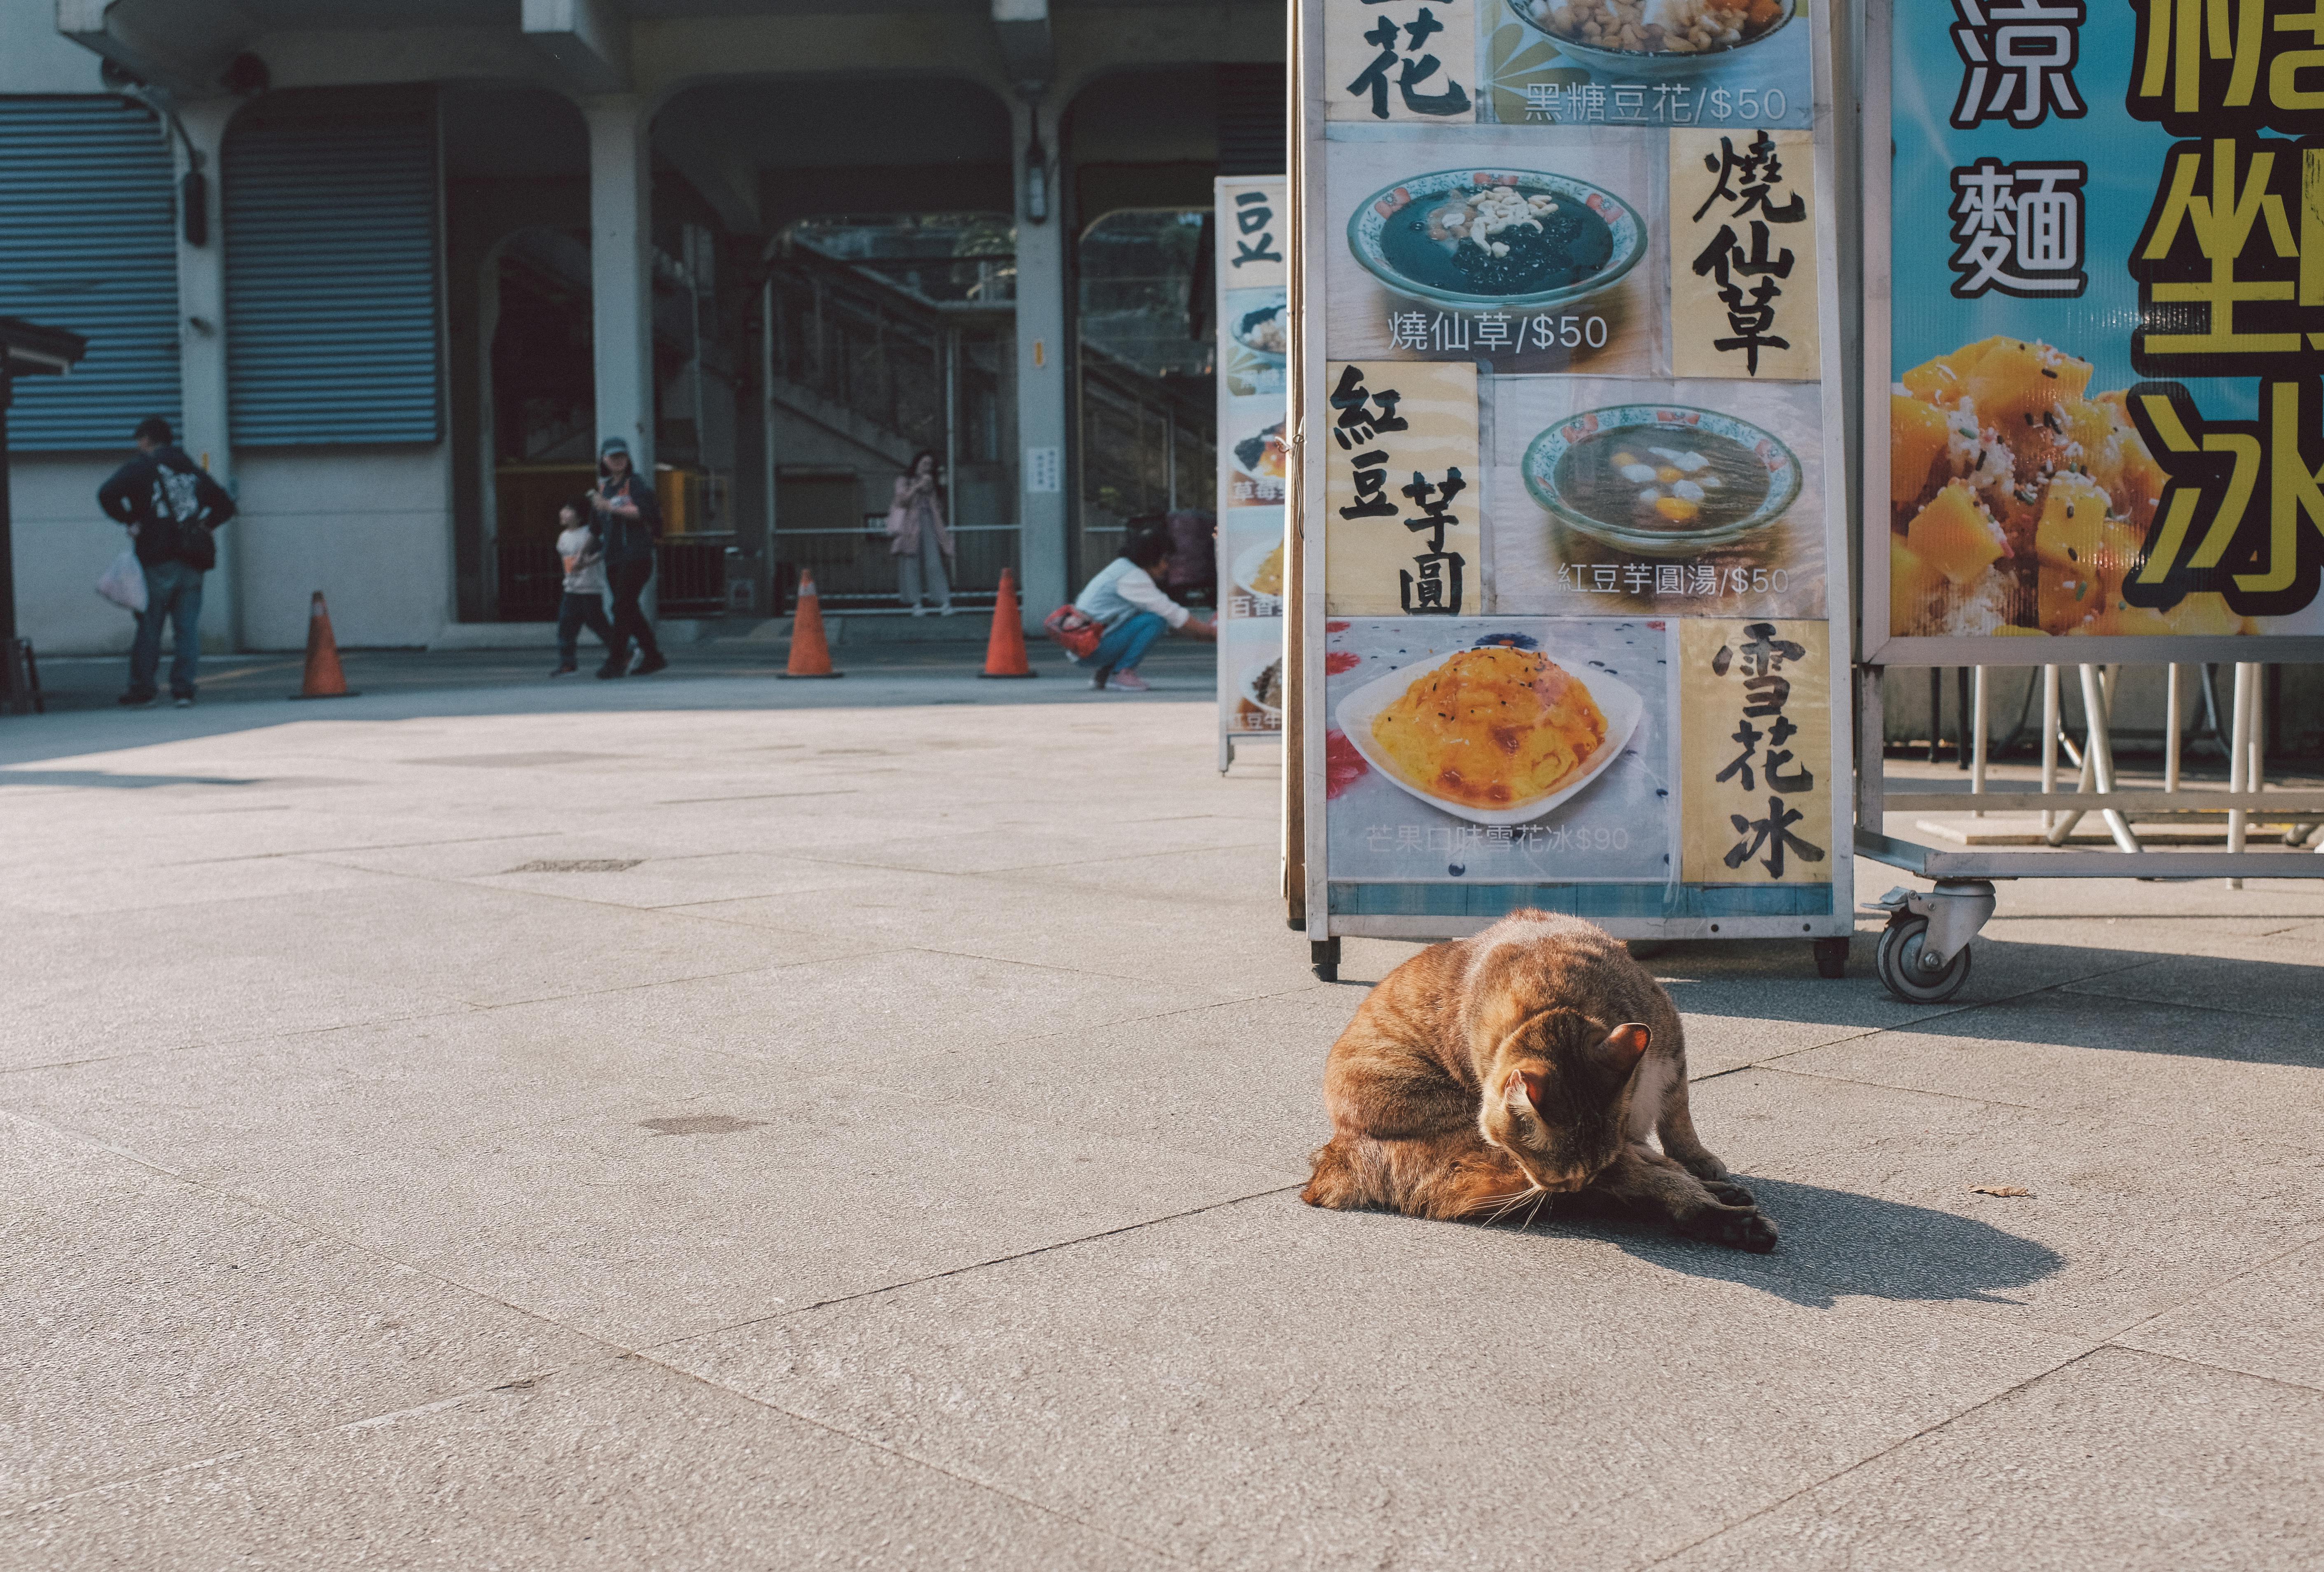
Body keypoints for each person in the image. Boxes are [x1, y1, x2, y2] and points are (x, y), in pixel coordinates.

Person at [97, 415, 235, 708]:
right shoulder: (190, 468)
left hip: (156, 557)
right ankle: (183, 690)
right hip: (193, 560)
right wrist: (205, 525)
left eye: (139, 440)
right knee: (187, 628)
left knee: (150, 626)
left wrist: (130, 520)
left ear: (147, 439)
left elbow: (107, 494)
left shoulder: (141, 467)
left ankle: (143, 690)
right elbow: (226, 504)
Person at [1071, 523, 1215, 693]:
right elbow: (1170, 612)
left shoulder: (1122, 568)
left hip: (1084, 645)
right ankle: (1122, 673)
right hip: (1090, 649)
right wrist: (1210, 632)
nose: (1166, 567)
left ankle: (1104, 674)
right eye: (1165, 560)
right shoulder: (1131, 577)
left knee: (1146, 617)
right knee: (1154, 621)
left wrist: (1199, 633)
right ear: (1152, 557)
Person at [590, 436, 666, 679]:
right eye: (613, 457)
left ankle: (617, 660)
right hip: (613, 557)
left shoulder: (636, 484)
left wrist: (611, 508)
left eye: (622, 456)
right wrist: (584, 555)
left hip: (636, 555)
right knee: (627, 607)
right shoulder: (604, 490)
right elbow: (595, 529)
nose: (618, 461)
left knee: (621, 607)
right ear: (604, 460)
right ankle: (653, 656)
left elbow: (643, 513)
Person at [885, 450, 955, 616]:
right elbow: (901, 501)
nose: (927, 467)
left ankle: (943, 601)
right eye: (924, 463)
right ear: (916, 464)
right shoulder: (904, 481)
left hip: (929, 523)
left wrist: (931, 490)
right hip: (909, 526)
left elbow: (938, 508)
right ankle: (915, 603)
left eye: (930, 465)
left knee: (934, 563)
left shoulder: (932, 483)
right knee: (911, 564)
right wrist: (916, 487)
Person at [551, 499, 613, 676]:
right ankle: (567, 663)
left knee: (599, 626)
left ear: (580, 517)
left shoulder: (589, 534)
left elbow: (603, 552)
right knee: (566, 627)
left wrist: (587, 563)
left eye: (569, 510)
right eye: (563, 510)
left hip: (590, 589)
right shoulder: (563, 537)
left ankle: (624, 652)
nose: (564, 513)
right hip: (571, 589)